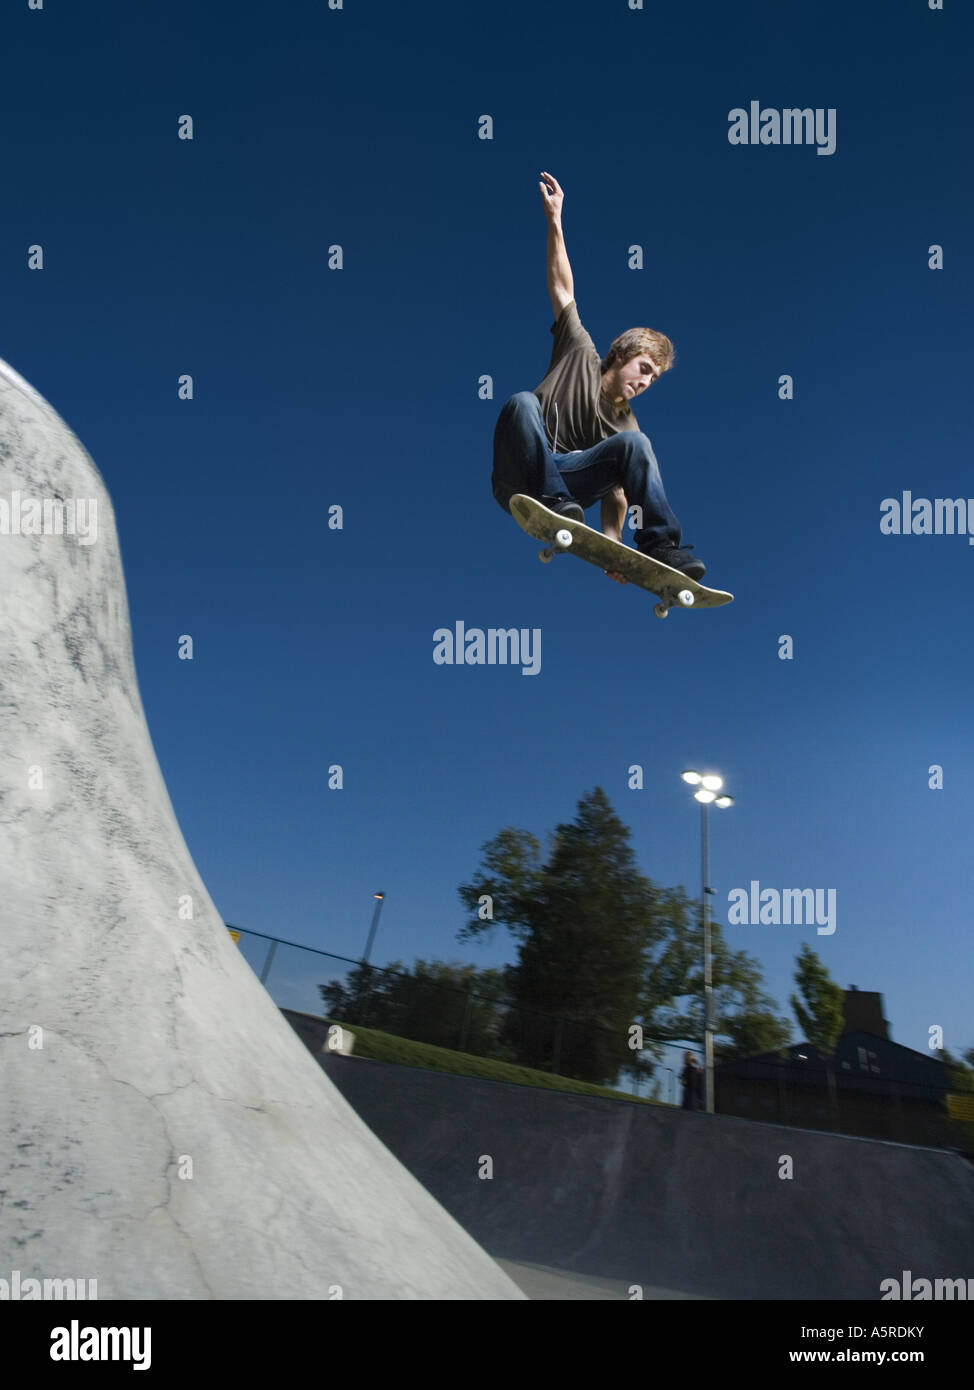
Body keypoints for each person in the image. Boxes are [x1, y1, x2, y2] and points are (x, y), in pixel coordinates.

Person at [491, 171, 705, 580]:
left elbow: (619, 495)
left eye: (653, 379)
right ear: (622, 354)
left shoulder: (626, 426)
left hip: (567, 490)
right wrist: (555, 221)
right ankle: (550, 496)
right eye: (644, 369)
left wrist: (613, 545)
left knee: (636, 445)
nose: (645, 382)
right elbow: (562, 289)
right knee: (522, 402)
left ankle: (660, 545)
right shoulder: (579, 350)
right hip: (516, 475)